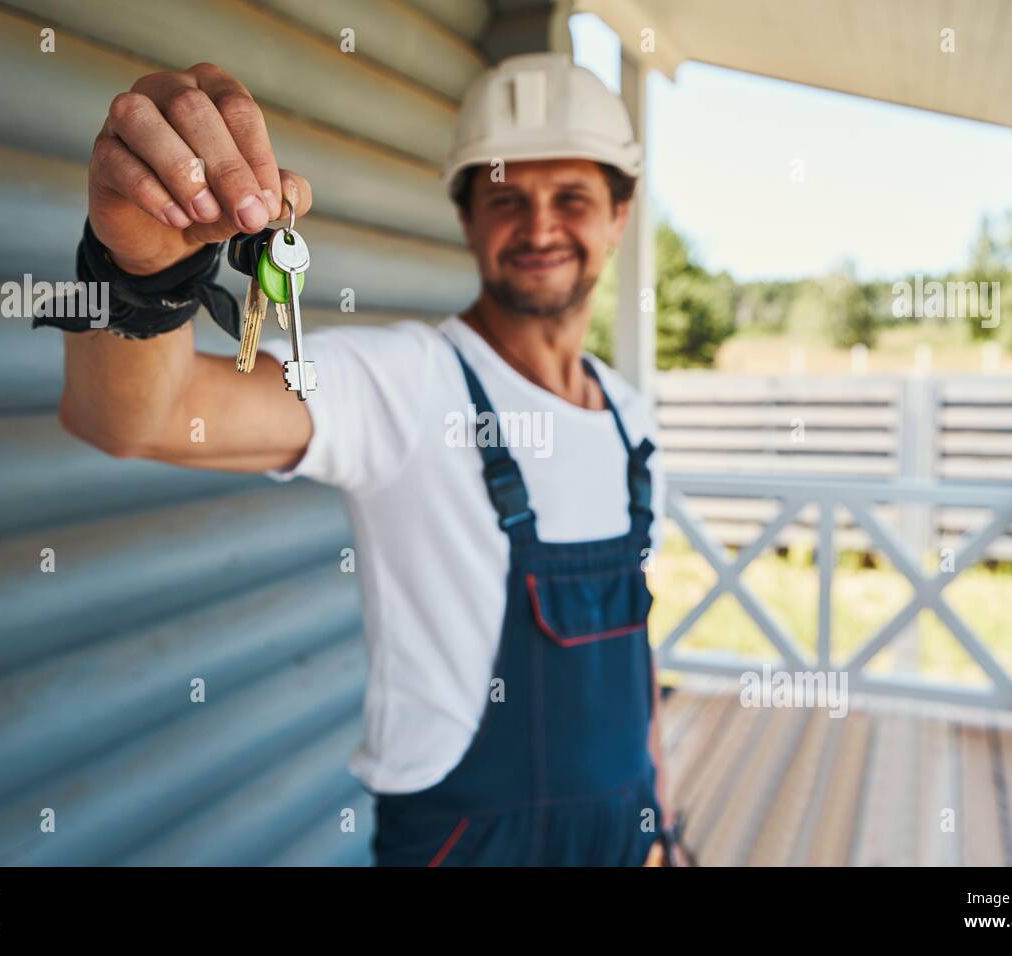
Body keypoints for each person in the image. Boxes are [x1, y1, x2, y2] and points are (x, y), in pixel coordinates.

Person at [51, 51, 689, 866]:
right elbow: (143, 418)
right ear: (466, 218)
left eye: (571, 198)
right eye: (505, 198)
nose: (538, 228)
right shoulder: (409, 381)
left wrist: (660, 819)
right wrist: (141, 268)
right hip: (466, 843)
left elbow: (637, 638)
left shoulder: (632, 421)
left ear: (619, 218)